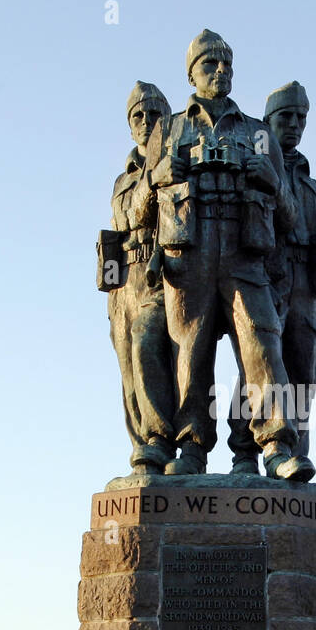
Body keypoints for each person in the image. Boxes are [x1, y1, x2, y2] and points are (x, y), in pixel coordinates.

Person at [145, 30, 314, 481]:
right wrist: (161, 172)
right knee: (190, 354)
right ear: (191, 73)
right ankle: (191, 447)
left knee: (262, 345)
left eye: (227, 66)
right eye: (209, 65)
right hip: (189, 252)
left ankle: (274, 445)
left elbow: (293, 218)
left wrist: (274, 183)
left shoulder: (259, 133)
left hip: (244, 252)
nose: (220, 72)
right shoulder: (170, 128)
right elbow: (139, 207)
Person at [227, 81, 316, 470]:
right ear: (268, 122)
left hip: (307, 286)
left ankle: (296, 456)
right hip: (267, 276)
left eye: (301, 118)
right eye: (285, 117)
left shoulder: (314, 187)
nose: (294, 125)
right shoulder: (252, 168)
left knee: (303, 378)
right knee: (257, 364)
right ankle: (243, 450)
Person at [98, 81, 177, 475]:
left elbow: (151, 217)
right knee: (128, 371)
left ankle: (160, 440)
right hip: (122, 279)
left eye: (153, 114)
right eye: (138, 116)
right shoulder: (123, 178)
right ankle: (143, 451)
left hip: (159, 273)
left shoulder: (176, 164)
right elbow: (126, 217)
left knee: (149, 344)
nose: (146, 122)